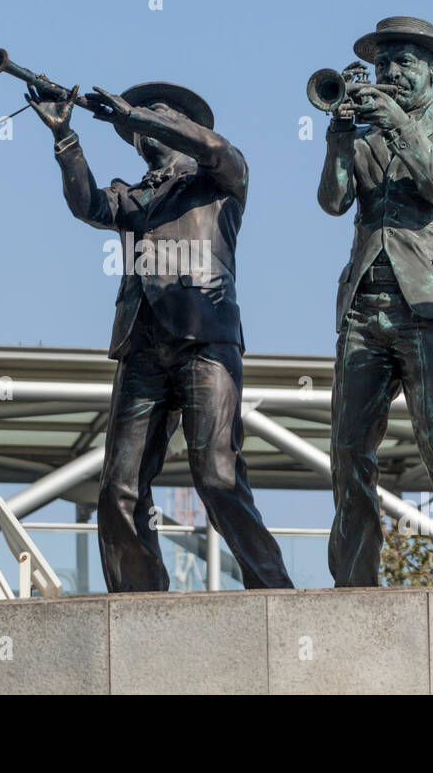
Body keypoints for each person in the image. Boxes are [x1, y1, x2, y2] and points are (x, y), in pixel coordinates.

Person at [26, 79, 293, 591]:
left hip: (204, 338)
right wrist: (66, 139)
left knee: (216, 476)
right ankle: (137, 600)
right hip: (141, 343)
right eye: (140, 120)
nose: (144, 124)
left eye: (157, 116)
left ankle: (274, 590)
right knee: (118, 488)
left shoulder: (218, 177)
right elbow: (86, 205)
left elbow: (213, 146)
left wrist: (135, 113)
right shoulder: (133, 194)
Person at [318, 17, 433, 585]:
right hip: (364, 307)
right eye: (383, 63)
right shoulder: (365, 134)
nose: (390, 73)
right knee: (348, 449)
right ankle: (355, 584)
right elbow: (333, 201)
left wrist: (396, 125)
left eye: (405, 62)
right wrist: (339, 137)